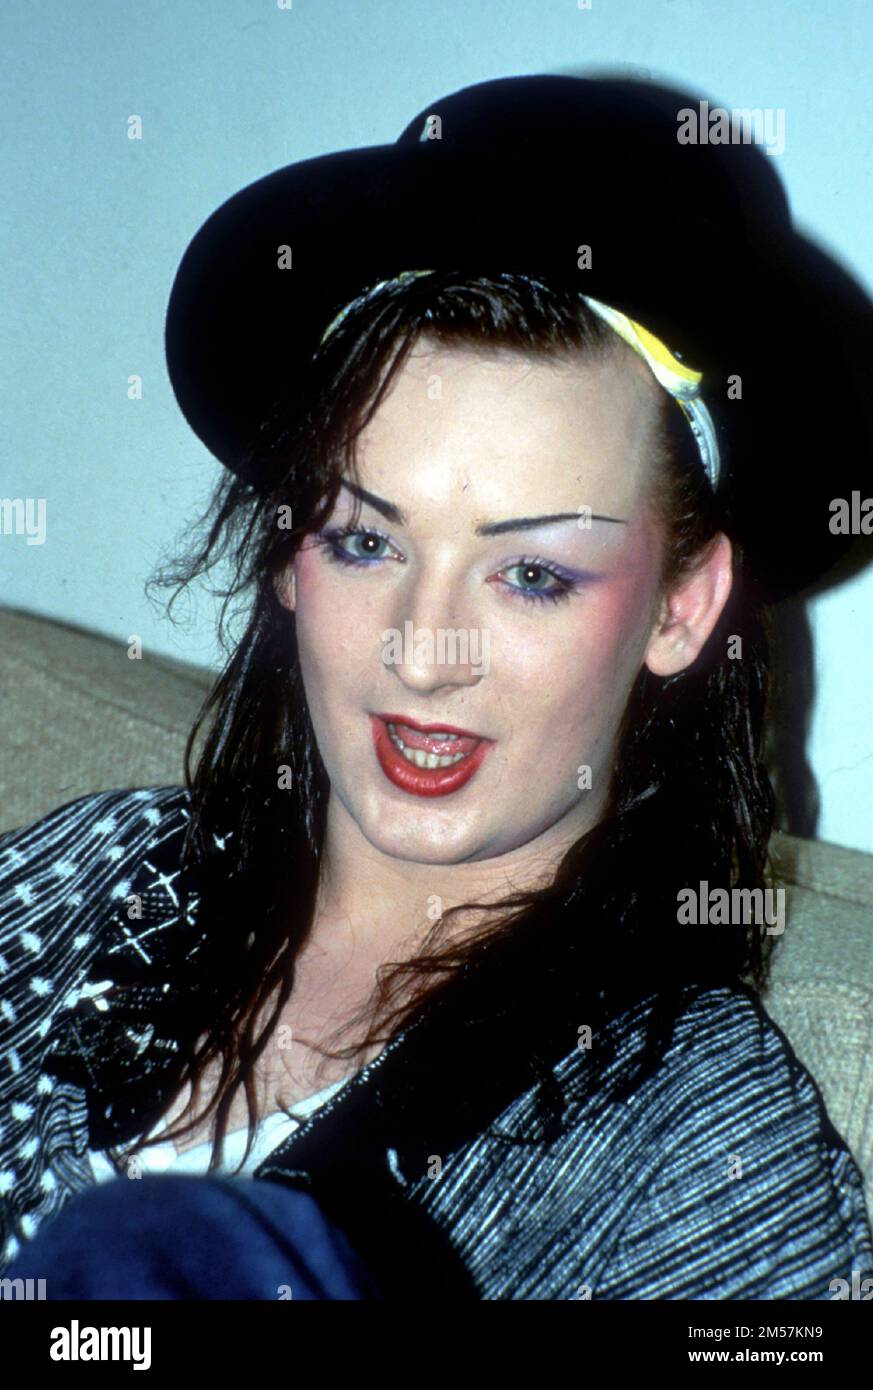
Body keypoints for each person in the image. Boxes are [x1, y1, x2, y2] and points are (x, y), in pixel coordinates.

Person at [2, 74, 872, 1301]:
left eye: (529, 573)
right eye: (366, 541)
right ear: (289, 558)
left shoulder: (696, 1147)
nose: (423, 650)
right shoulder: (96, 874)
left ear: (682, 606)